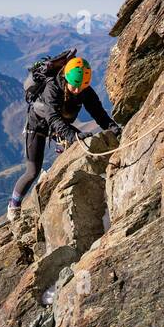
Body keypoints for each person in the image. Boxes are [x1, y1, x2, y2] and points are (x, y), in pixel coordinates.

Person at [7, 54, 121, 221]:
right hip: (38, 125)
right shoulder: (52, 87)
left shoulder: (84, 90)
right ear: (66, 77)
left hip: (61, 125)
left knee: (67, 161)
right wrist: (73, 136)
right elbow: (52, 118)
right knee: (32, 171)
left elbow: (99, 113)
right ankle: (14, 206)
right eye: (74, 86)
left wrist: (114, 128)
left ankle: (50, 184)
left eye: (81, 87)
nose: (77, 91)